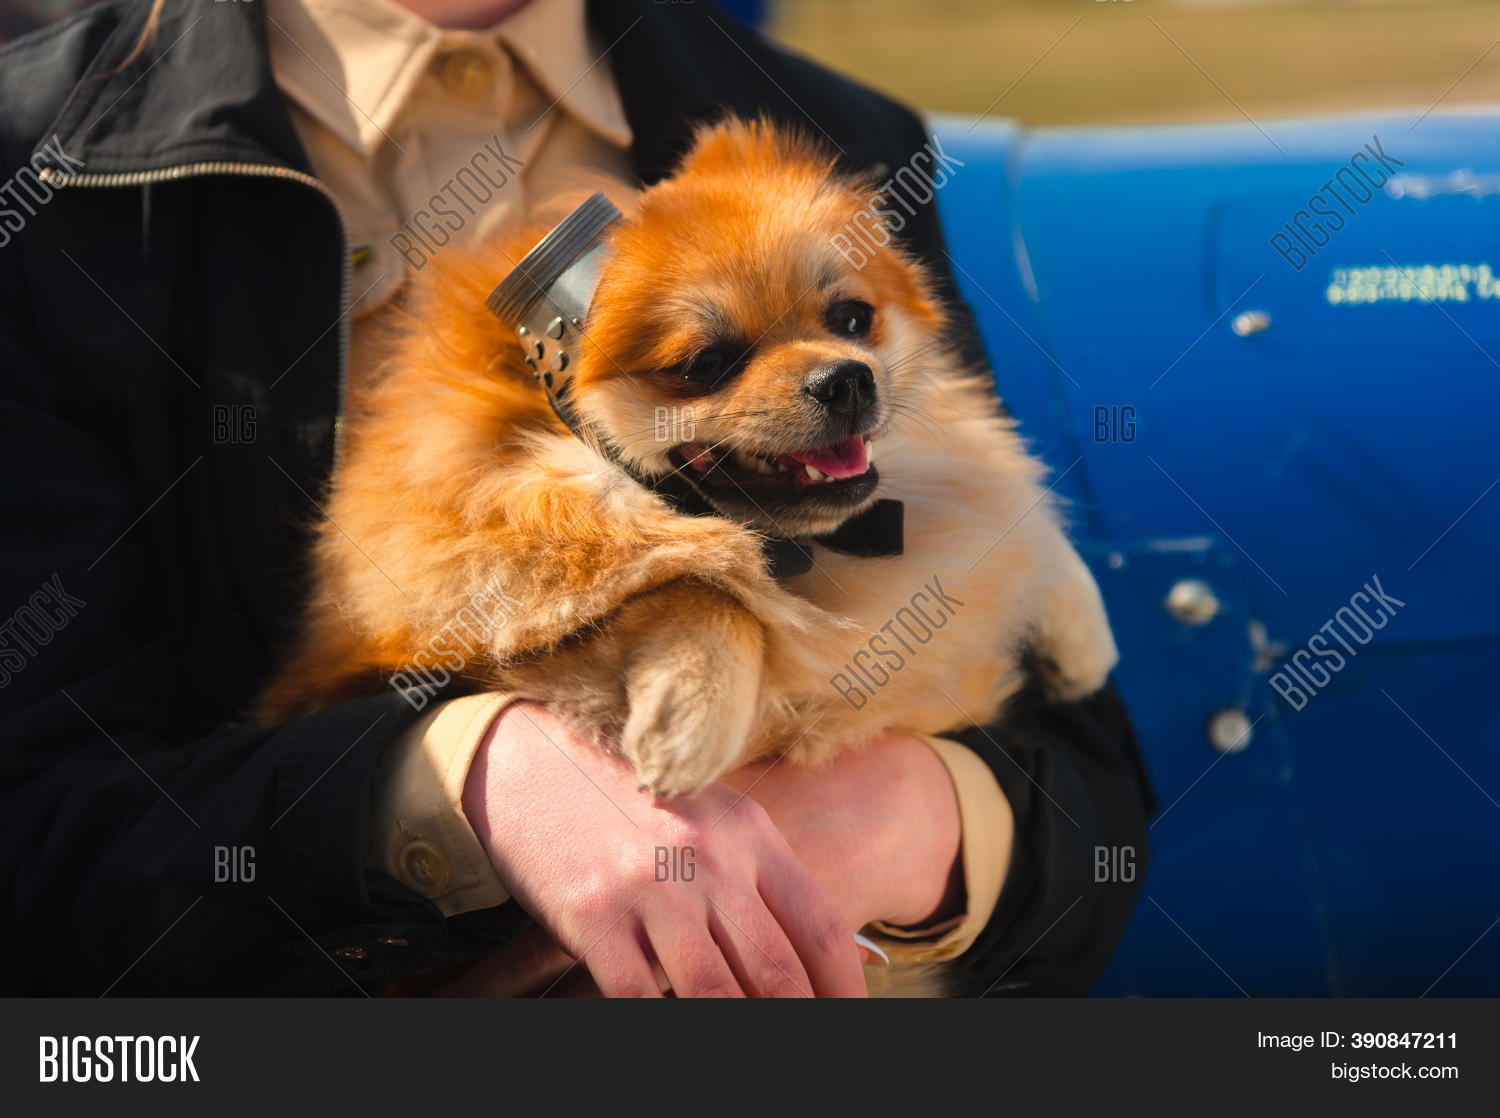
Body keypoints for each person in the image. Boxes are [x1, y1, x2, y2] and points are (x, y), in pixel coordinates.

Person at [0, 0, 1155, 996]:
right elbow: (42, 831)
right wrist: (460, 785)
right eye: (703, 359)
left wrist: (916, 815)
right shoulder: (43, 170)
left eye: (848, 324)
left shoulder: (838, 135)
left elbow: (1094, 781)